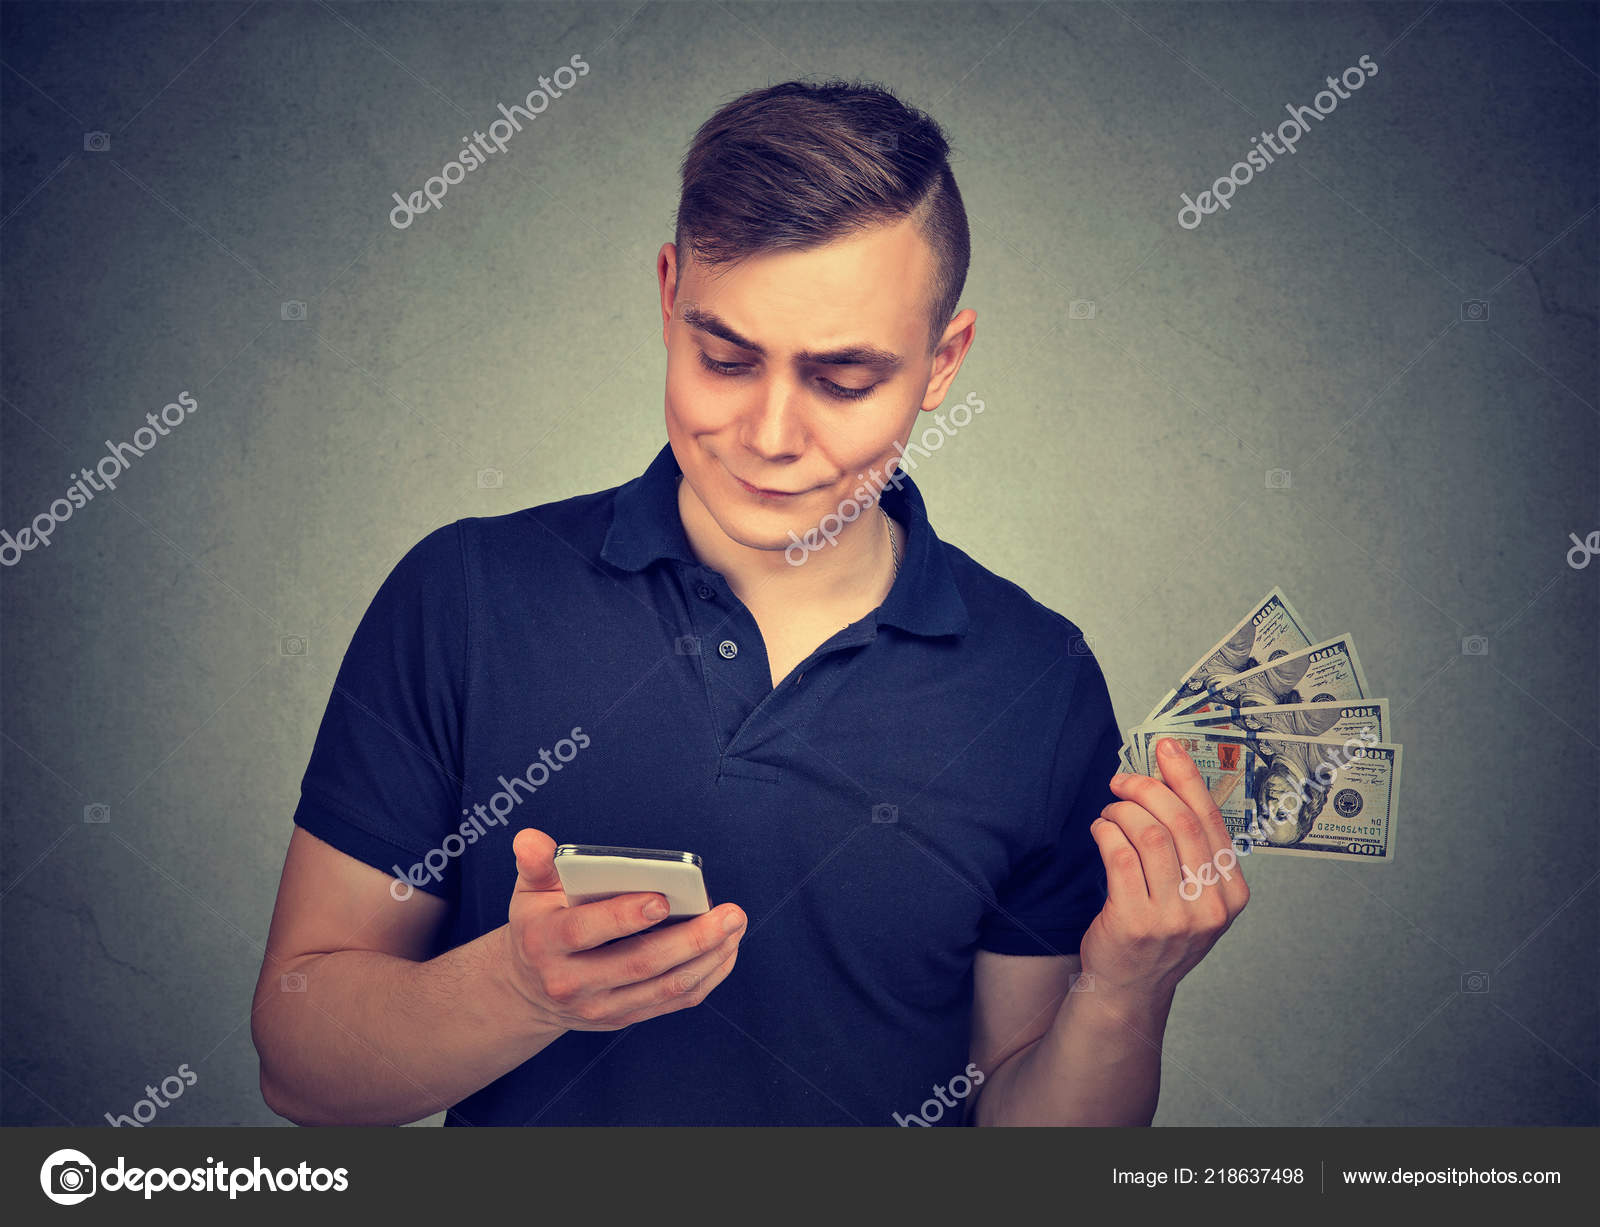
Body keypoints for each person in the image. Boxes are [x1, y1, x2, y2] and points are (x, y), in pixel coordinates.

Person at [250, 79, 1246, 1127]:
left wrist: (1126, 998)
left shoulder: (1036, 684)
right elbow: (301, 1072)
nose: (770, 435)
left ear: (941, 364)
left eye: (843, 379)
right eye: (725, 357)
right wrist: (518, 988)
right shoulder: (463, 597)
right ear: (669, 295)